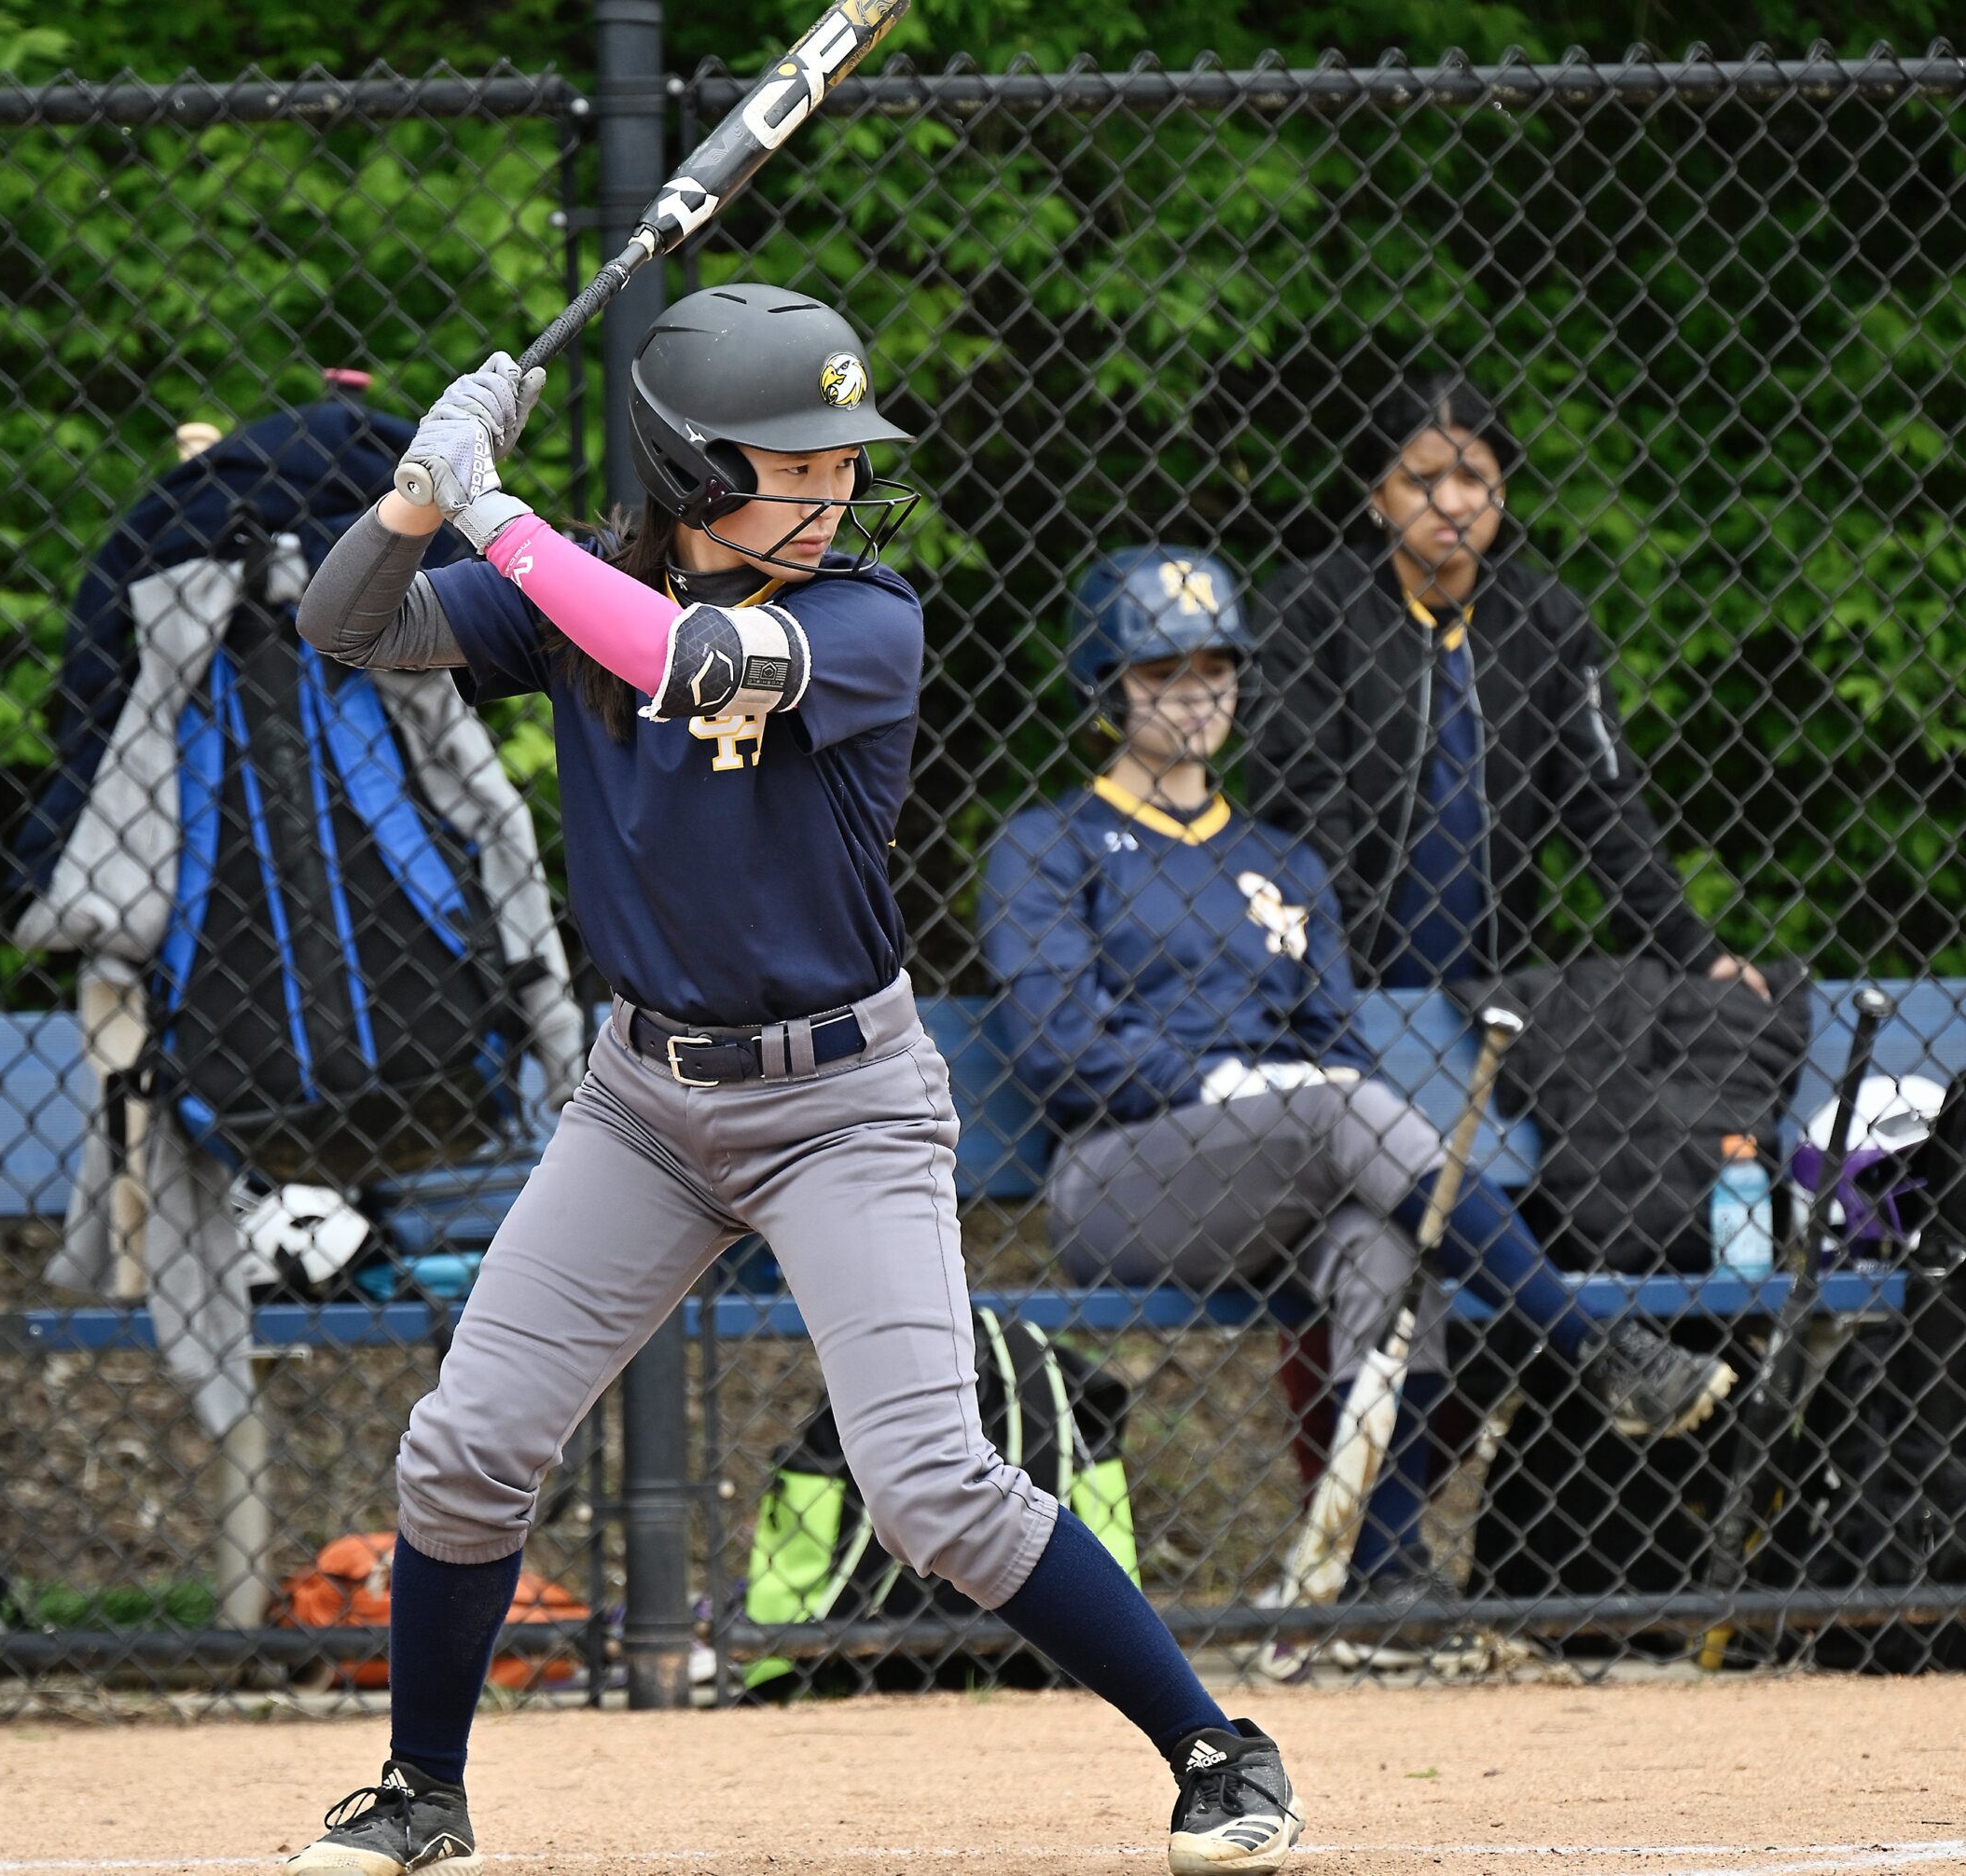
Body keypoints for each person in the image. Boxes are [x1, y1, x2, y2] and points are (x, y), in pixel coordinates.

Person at [287, 290, 1304, 1876]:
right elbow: (342, 624)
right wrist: (419, 496)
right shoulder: (576, 592)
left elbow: (686, 663)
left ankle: (1220, 1750)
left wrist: (495, 512)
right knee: (467, 1445)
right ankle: (422, 1790)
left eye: (847, 460)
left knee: (930, 1485)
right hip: (644, 1101)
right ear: (694, 473)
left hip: (845, 1103)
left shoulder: (866, 623)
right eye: (798, 462)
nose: (837, 490)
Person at [980, 546, 1738, 1604]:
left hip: (1296, 1170)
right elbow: (1061, 1046)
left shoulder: (1283, 861)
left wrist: (1291, 1095)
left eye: (1215, 667)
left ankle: (1385, 1569)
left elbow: (1337, 1040)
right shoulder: (1048, 844)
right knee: (1343, 1116)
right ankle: (1588, 1343)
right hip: (1118, 1177)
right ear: (1105, 686)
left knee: (1385, 1240)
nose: (1196, 693)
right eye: (1162, 671)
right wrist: (1231, 1086)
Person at [1249, 372, 1768, 999]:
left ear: (1503, 490)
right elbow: (1305, 800)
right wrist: (1337, 956)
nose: (1452, 501)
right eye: (1421, 480)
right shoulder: (1310, 609)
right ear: (1377, 495)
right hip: (1333, 972)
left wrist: (1694, 952)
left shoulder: (1548, 620)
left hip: (1493, 985)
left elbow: (1602, 800)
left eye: (1473, 478)